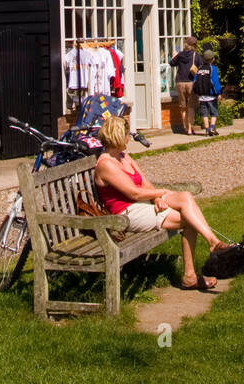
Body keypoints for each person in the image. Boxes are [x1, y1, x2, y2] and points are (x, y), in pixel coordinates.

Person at [94, 113, 228, 291]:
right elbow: (133, 193)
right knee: (189, 220)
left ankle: (212, 243)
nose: (129, 137)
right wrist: (162, 192)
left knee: (186, 197)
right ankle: (191, 274)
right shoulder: (106, 164)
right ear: (119, 135)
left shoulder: (124, 157)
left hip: (143, 204)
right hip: (126, 214)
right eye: (127, 133)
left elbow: (145, 183)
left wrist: (156, 198)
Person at [170, 35, 199, 135]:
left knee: (183, 106)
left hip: (180, 82)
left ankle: (185, 128)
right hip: (191, 82)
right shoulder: (196, 55)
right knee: (191, 107)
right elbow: (201, 66)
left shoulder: (180, 54)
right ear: (194, 45)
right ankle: (191, 128)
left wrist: (174, 55)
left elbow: (172, 63)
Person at [194, 46, 222, 136]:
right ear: (212, 59)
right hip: (211, 95)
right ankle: (212, 127)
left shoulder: (199, 68)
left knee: (204, 113)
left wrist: (196, 92)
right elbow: (215, 82)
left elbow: (195, 81)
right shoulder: (213, 69)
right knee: (214, 112)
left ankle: (206, 129)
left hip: (201, 96)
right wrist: (218, 93)